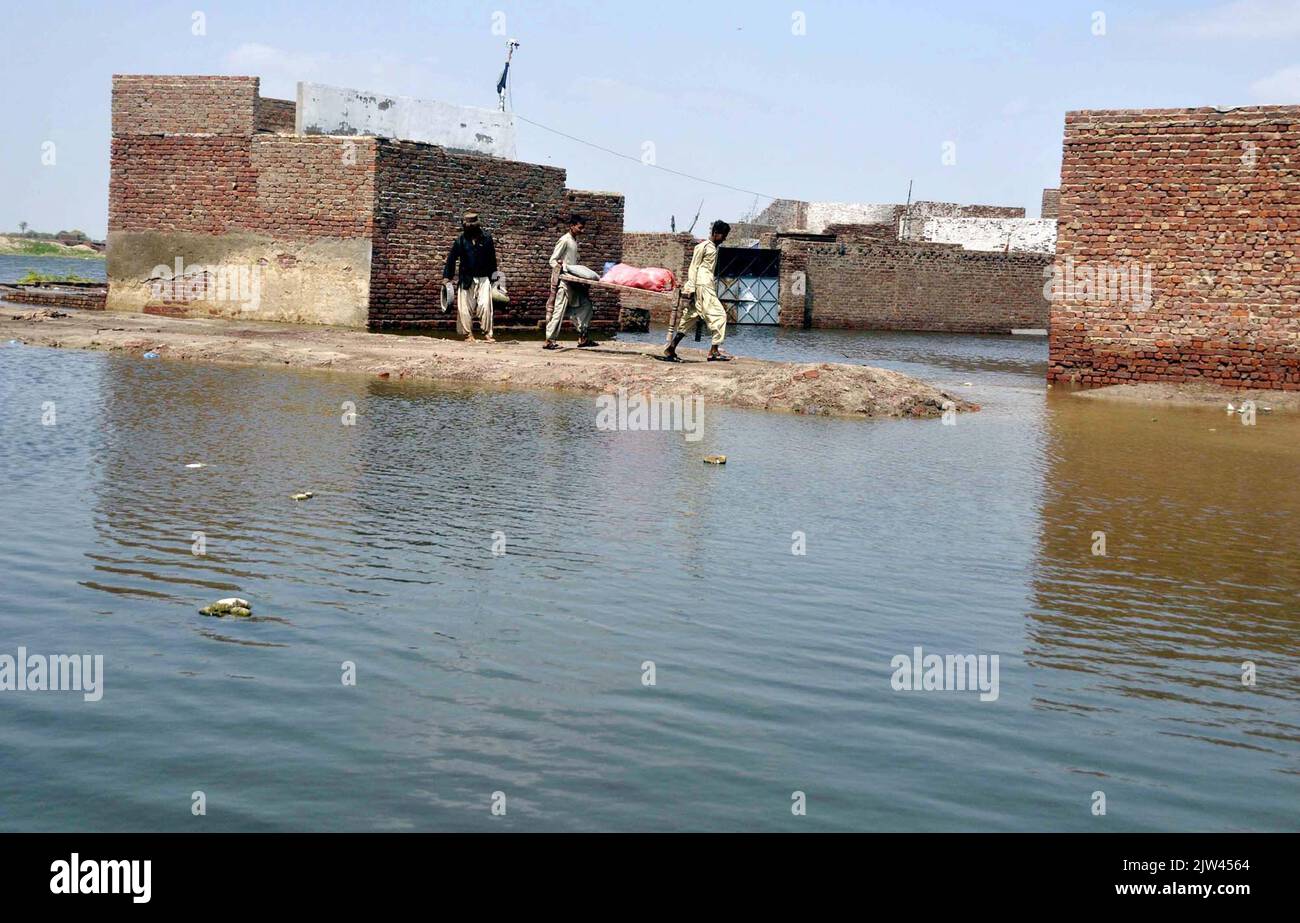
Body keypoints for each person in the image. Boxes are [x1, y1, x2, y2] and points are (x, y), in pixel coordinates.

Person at [664, 220, 732, 361]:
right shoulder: (703, 247)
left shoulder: (713, 248)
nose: (725, 238)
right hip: (703, 287)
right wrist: (691, 287)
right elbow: (693, 267)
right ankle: (713, 351)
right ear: (715, 233)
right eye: (723, 235)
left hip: (705, 285)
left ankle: (671, 349)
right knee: (720, 316)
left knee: (690, 317)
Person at [443, 211, 500, 343]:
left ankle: (487, 333)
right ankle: (468, 335)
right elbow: (451, 259)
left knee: (485, 306)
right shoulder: (460, 241)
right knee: (464, 309)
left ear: (476, 226)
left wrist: (495, 281)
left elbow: (492, 261)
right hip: (466, 278)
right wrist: (447, 277)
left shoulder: (487, 239)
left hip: (483, 277)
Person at [544, 214, 598, 350]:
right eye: (580, 228)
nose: (582, 230)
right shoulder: (565, 240)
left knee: (586, 306)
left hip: (574, 282)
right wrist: (561, 266)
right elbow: (552, 260)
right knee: (559, 311)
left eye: (583, 228)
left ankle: (583, 337)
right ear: (572, 226)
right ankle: (549, 340)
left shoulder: (574, 241)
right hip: (564, 282)